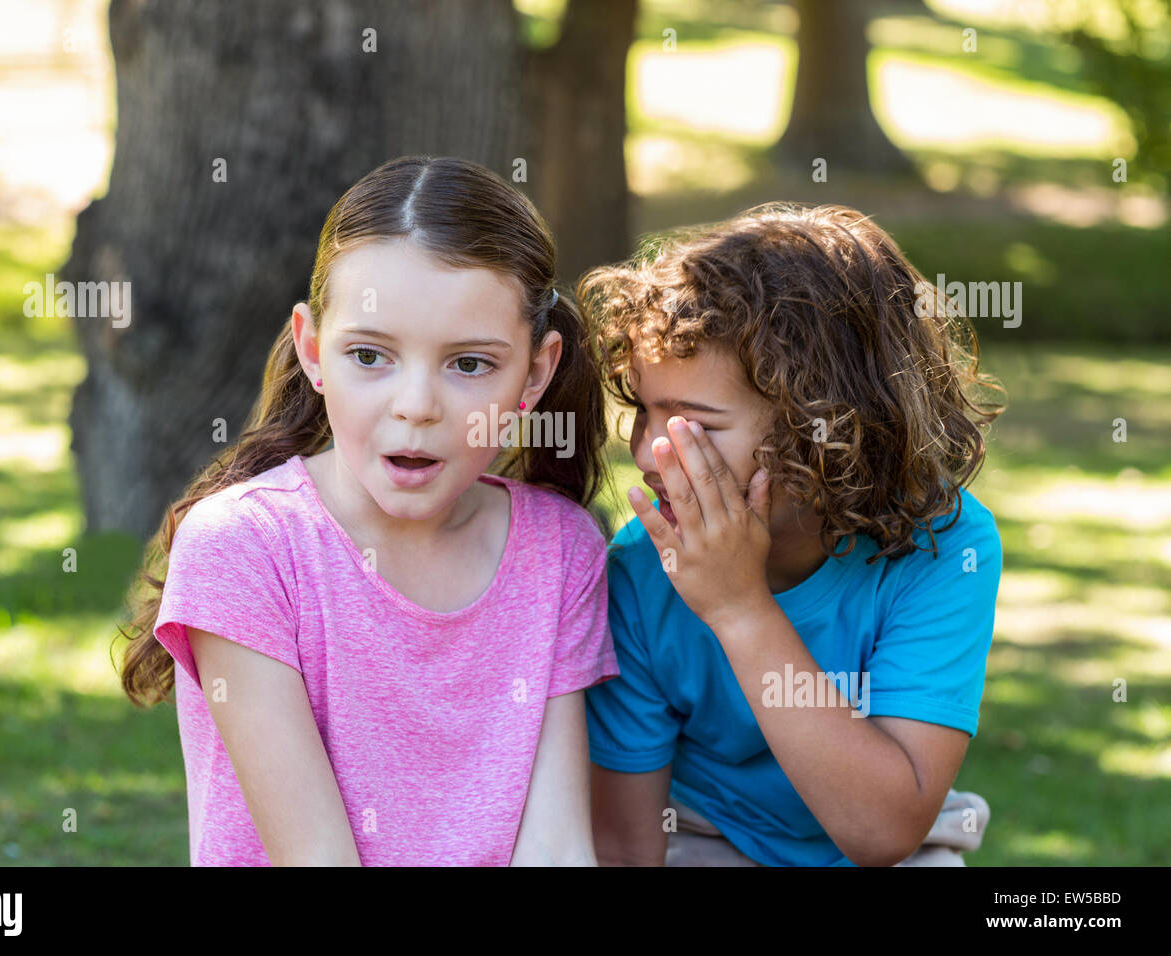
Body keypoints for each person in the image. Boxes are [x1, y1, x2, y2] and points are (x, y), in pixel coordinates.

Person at [115, 155, 618, 866]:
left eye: (469, 364)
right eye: (370, 356)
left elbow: (560, 848)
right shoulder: (244, 546)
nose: (416, 405)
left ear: (535, 372)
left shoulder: (561, 548)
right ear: (313, 349)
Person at [577, 202, 1005, 866]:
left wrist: (739, 610)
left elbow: (884, 832)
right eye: (643, 411)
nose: (645, 452)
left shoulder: (944, 548)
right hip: (703, 837)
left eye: (692, 423)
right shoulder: (641, 569)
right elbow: (624, 845)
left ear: (829, 429)